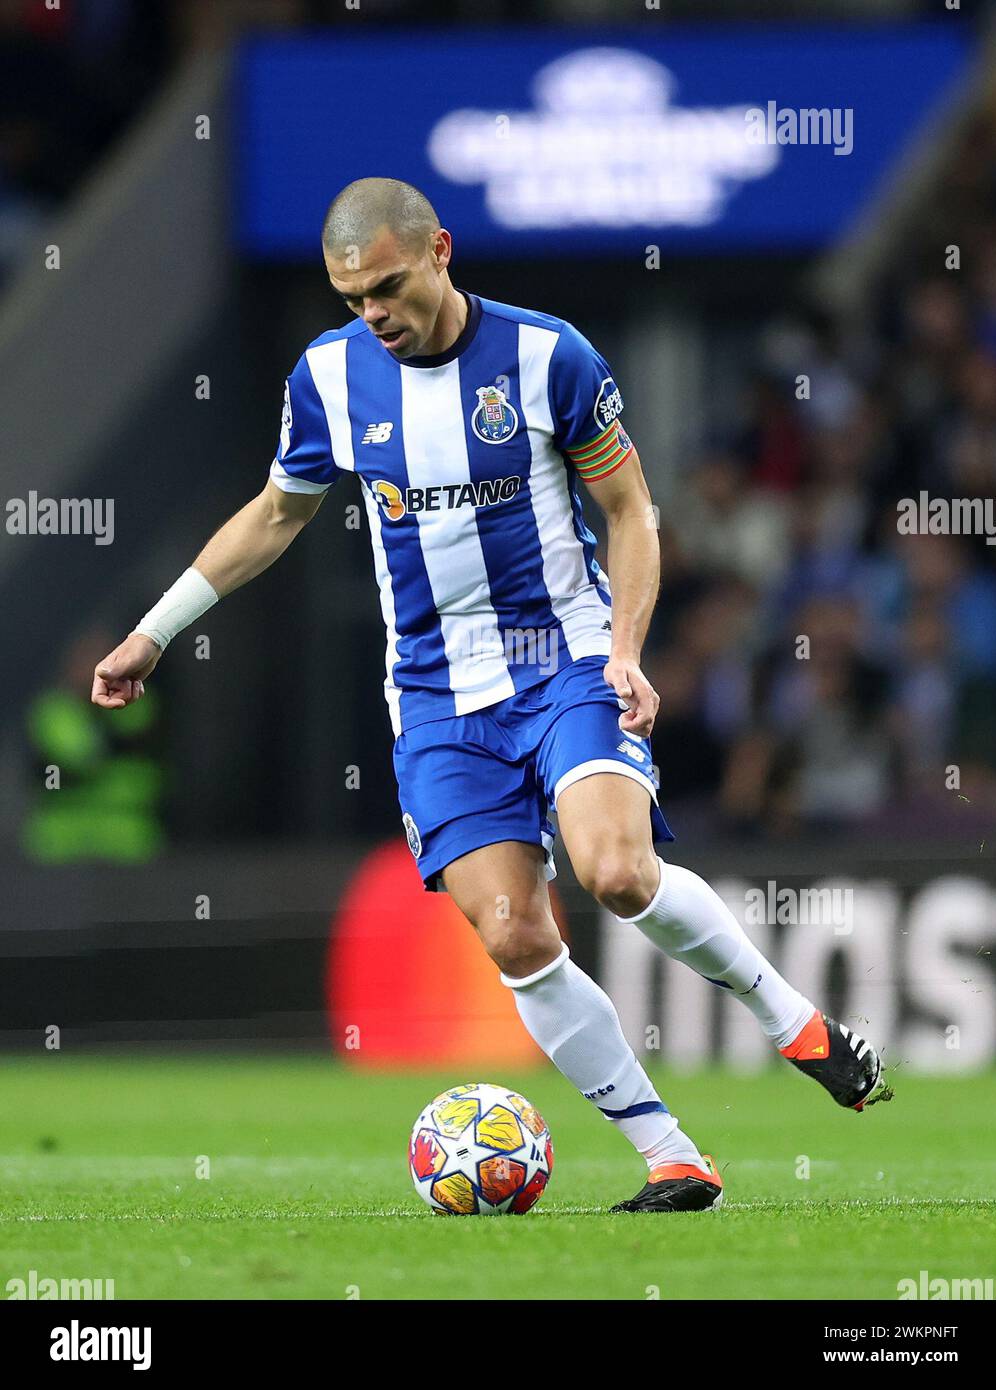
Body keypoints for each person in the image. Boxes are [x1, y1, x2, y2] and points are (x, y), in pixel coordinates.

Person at [91, 178, 890, 1214]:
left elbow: (632, 512)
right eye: (350, 298)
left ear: (439, 252)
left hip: (564, 661)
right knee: (516, 934)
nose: (371, 314)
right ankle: (673, 1157)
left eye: (385, 287)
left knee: (615, 869)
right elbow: (274, 516)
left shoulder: (547, 358)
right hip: (434, 697)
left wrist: (630, 652)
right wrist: (154, 633)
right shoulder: (328, 380)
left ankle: (796, 1025)